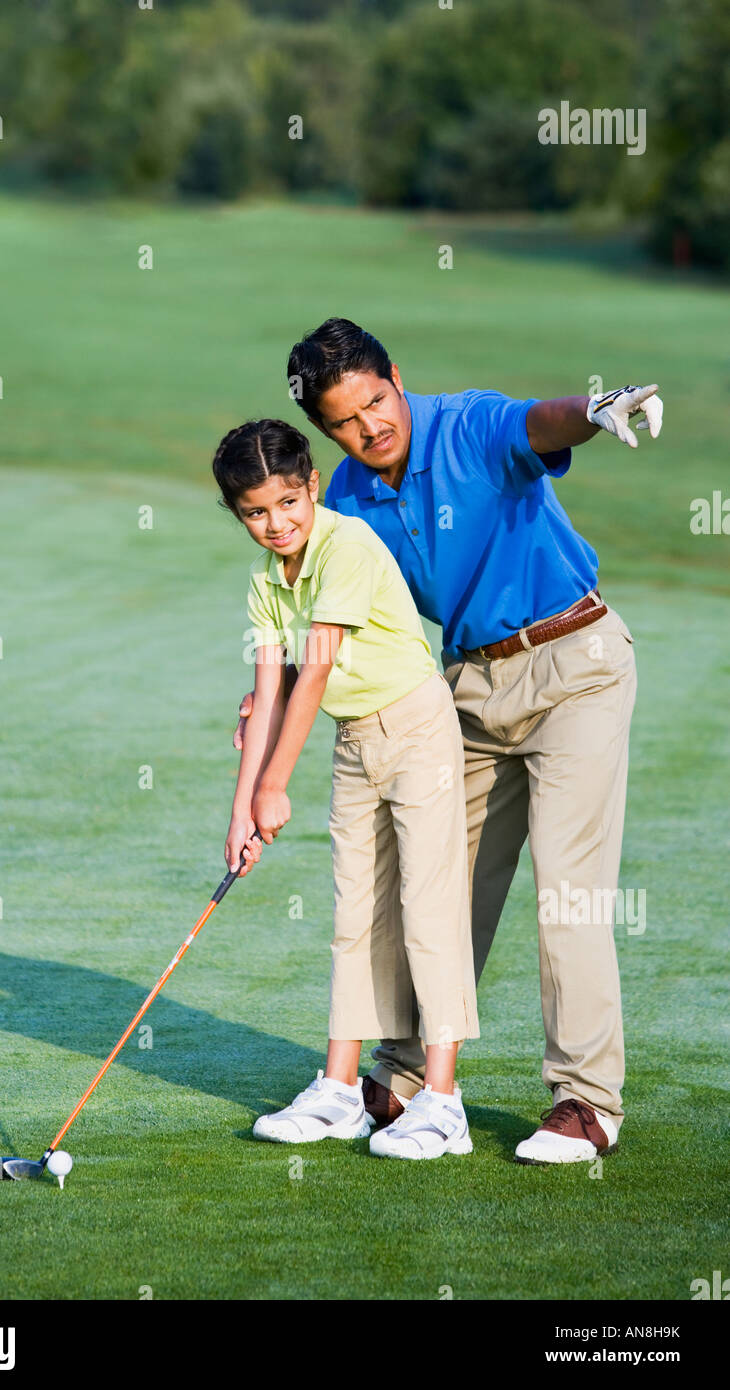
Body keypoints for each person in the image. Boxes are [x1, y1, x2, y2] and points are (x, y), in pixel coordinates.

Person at [235, 318, 663, 1165]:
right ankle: (397, 1077)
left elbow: (539, 422)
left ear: (396, 377)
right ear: (325, 434)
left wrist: (597, 406)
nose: (372, 427)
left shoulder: (466, 422)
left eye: (377, 402)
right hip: (463, 687)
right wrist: (265, 698)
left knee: (567, 895)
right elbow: (315, 617)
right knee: (430, 887)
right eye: (347, 421)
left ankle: (585, 1102)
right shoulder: (346, 500)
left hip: (575, 662)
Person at [213, 417, 479, 1159]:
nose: (276, 523)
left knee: (427, 909)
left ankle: (443, 1102)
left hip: (418, 727)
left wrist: (275, 785)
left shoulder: (348, 547)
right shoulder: (267, 583)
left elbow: (316, 670)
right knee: (353, 913)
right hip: (356, 740)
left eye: (288, 503)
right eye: (256, 512)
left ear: (313, 487)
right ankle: (339, 1092)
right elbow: (268, 694)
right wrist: (241, 814)